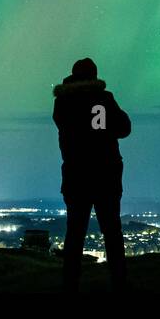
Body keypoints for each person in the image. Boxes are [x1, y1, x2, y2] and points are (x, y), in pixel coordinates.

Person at [52, 57, 131, 291]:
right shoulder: (104, 100)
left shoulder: (63, 102)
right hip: (106, 175)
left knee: (75, 233)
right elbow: (124, 128)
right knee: (112, 232)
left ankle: (70, 284)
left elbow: (66, 127)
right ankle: (119, 282)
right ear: (95, 76)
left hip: (76, 176)